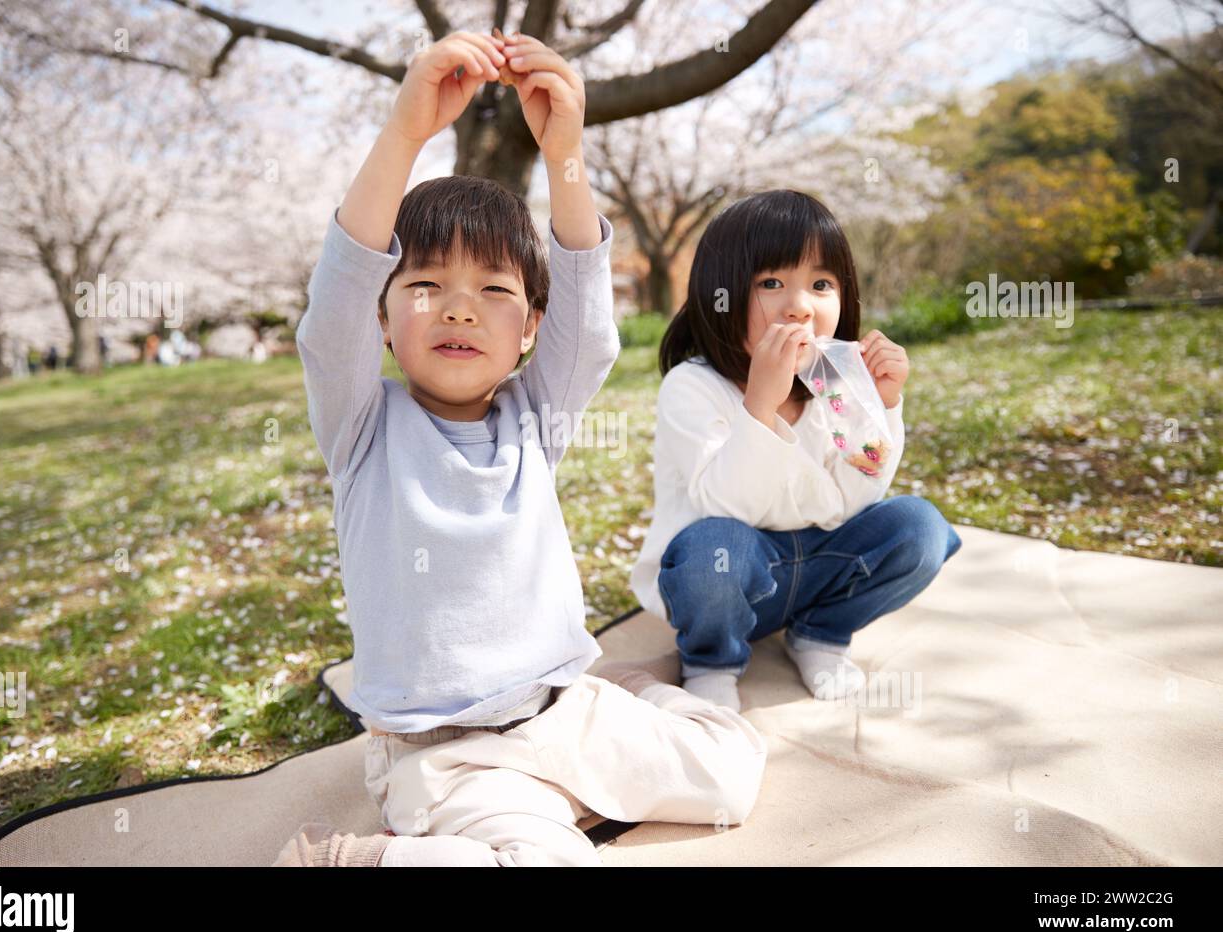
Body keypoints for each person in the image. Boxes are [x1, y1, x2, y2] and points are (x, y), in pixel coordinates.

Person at [272, 29, 765, 868]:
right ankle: (349, 860)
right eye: (425, 287)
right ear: (383, 321)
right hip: (447, 754)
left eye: (493, 292)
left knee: (738, 775)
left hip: (565, 711)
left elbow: (588, 314)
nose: (459, 311)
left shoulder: (536, 415)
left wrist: (564, 153)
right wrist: (406, 130)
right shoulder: (362, 425)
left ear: (532, 328)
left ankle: (634, 703)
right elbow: (339, 294)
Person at [628, 190, 963, 710]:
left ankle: (821, 634)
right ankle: (710, 662)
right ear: (721, 295)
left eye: (821, 285)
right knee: (716, 548)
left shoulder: (835, 382)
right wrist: (760, 404)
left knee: (920, 527)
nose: (799, 306)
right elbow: (729, 510)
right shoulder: (691, 387)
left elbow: (851, 504)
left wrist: (884, 407)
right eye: (771, 283)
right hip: (725, 586)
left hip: (815, 571)